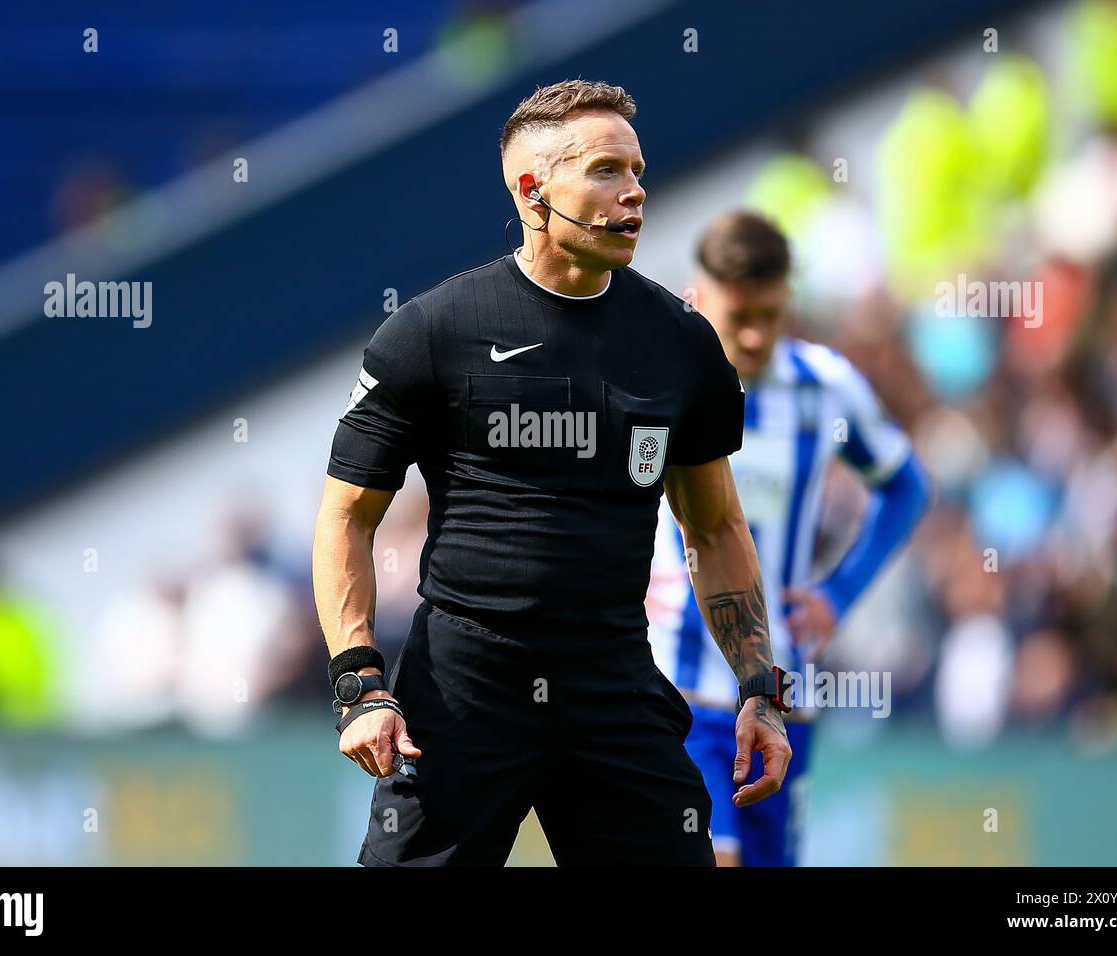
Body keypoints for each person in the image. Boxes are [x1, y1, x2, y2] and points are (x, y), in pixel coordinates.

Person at [312, 80, 792, 866]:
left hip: (612, 682)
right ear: (534, 192)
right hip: (463, 688)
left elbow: (714, 526)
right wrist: (360, 685)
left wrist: (758, 690)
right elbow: (346, 517)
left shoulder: (681, 343)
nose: (635, 191)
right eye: (606, 171)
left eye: (637, 170)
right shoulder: (431, 332)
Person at [647, 210, 930, 866]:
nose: (752, 335)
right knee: (714, 857)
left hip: (780, 693)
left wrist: (839, 592)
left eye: (769, 315)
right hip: (675, 683)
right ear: (699, 295)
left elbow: (906, 486)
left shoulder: (824, 389)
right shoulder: (660, 381)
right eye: (737, 314)